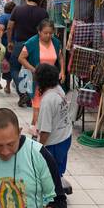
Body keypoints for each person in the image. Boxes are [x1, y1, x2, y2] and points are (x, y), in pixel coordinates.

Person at [33, 64, 73, 195]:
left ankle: (56, 196)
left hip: (54, 142)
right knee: (59, 167)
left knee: (50, 171)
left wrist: (39, 148)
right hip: (66, 136)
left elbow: (45, 131)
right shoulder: (58, 89)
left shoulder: (48, 100)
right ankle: (58, 185)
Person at [9, 0, 51, 107]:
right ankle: (30, 95)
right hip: (35, 45)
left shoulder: (17, 9)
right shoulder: (43, 13)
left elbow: (10, 26)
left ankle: (23, 93)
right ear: (39, 0)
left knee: (14, 68)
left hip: (20, 43)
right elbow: (46, 30)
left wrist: (10, 41)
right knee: (32, 69)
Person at [18, 18, 65, 94]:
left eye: (50, 33)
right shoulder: (32, 42)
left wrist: (62, 71)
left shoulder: (56, 42)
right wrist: (34, 70)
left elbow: (60, 58)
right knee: (37, 104)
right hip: (35, 80)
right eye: (45, 33)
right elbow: (21, 58)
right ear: (39, 32)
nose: (48, 35)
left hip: (51, 81)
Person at [0, 1, 15, 93]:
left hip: (4, 44)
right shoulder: (15, 17)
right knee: (10, 64)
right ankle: (7, 86)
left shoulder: (3, 17)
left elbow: (0, 29)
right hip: (13, 44)